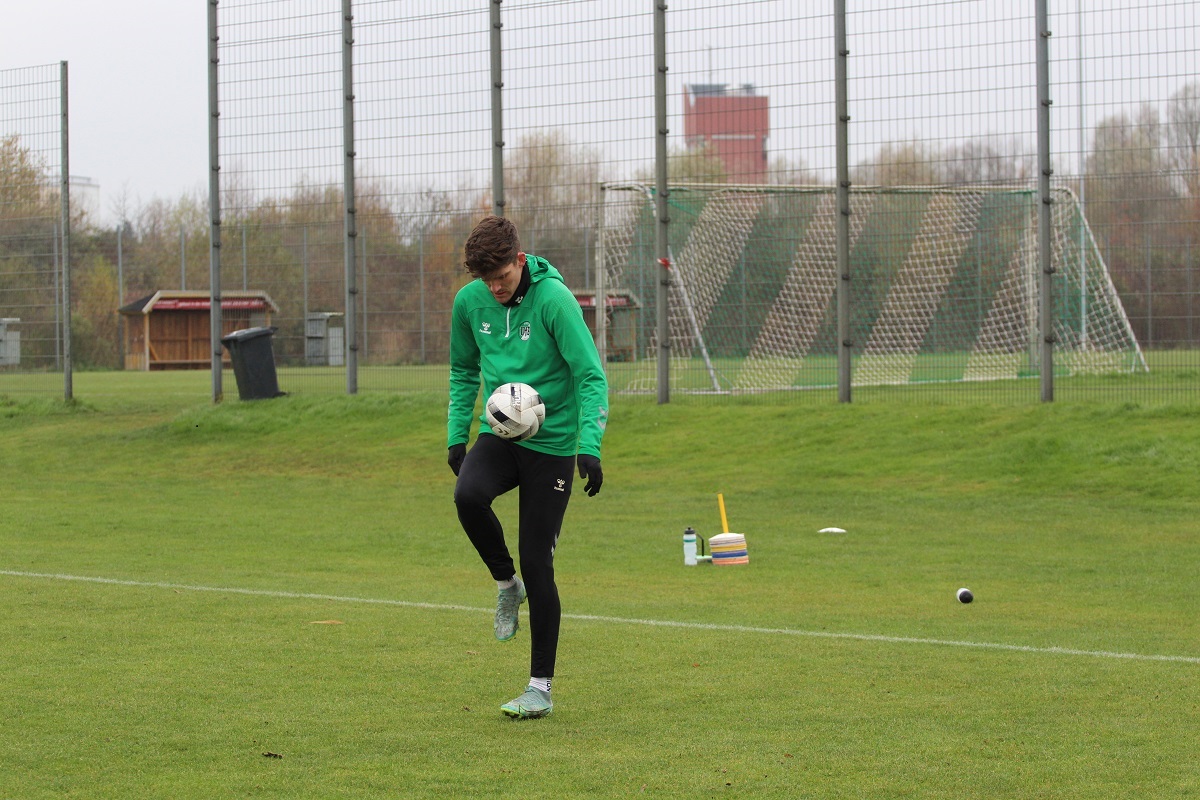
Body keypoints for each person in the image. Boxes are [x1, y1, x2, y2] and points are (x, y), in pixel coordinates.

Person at [447, 215, 608, 719]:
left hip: (553, 444)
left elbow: (590, 375)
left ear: (520, 260)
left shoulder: (554, 301)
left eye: (502, 276)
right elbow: (463, 370)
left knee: (538, 562)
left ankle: (540, 688)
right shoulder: (469, 302)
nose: (495, 288)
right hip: (499, 435)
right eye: (485, 279)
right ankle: (505, 585)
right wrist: (456, 435)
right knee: (468, 496)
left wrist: (589, 446)